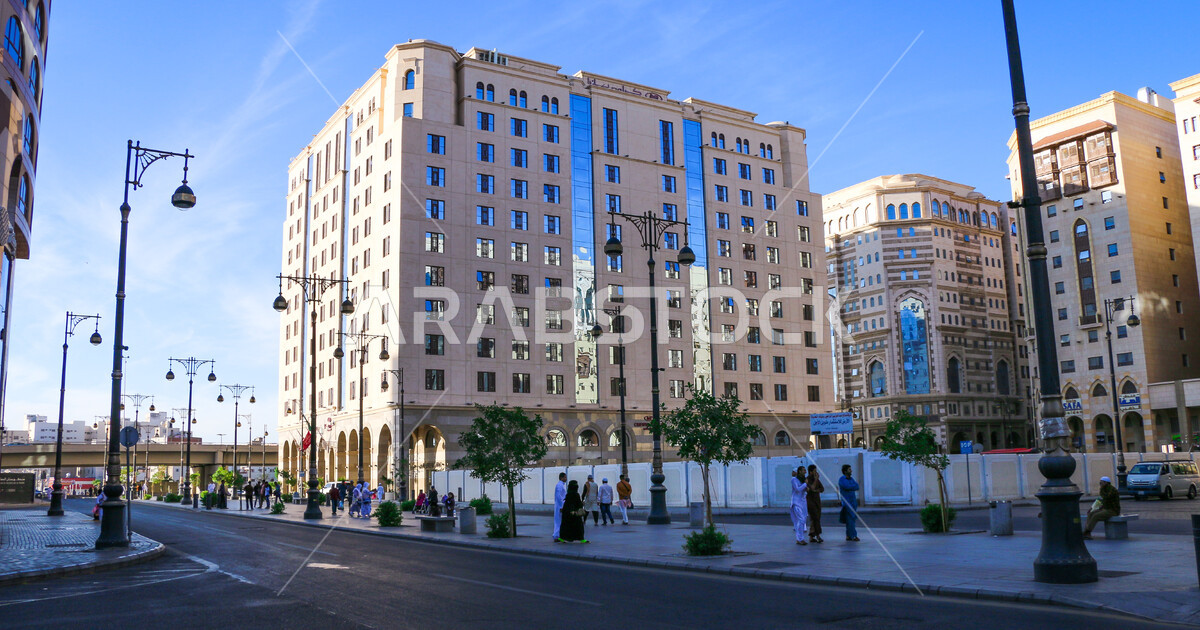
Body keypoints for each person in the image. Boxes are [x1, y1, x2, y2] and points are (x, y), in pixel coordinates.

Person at [838, 464, 860, 542]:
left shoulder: (851, 479)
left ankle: (848, 535)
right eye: (849, 469)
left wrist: (851, 487)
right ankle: (853, 535)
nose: (851, 471)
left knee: (850, 519)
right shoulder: (842, 479)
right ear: (845, 471)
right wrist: (852, 487)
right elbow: (847, 487)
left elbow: (857, 486)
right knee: (851, 519)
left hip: (853, 501)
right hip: (847, 502)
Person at [790, 466, 809, 545]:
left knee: (802, 520)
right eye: (804, 470)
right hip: (796, 502)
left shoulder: (804, 480)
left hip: (803, 502)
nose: (805, 472)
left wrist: (807, 487)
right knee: (801, 519)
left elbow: (805, 490)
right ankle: (800, 538)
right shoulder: (794, 479)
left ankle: (799, 538)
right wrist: (805, 484)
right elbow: (797, 489)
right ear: (799, 471)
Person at [806, 464, 824, 543]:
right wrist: (816, 479)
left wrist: (817, 490)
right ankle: (818, 536)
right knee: (815, 518)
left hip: (817, 501)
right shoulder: (807, 480)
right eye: (814, 471)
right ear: (810, 472)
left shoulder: (816, 479)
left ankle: (811, 535)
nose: (816, 472)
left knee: (816, 518)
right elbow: (812, 488)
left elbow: (822, 488)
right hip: (810, 501)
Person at [552, 472, 567, 540]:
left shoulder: (561, 485)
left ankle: (558, 535)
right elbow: (559, 496)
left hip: (560, 505)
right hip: (559, 505)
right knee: (558, 521)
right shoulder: (559, 485)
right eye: (565, 477)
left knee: (559, 521)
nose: (566, 478)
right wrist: (561, 506)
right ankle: (556, 535)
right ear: (561, 478)